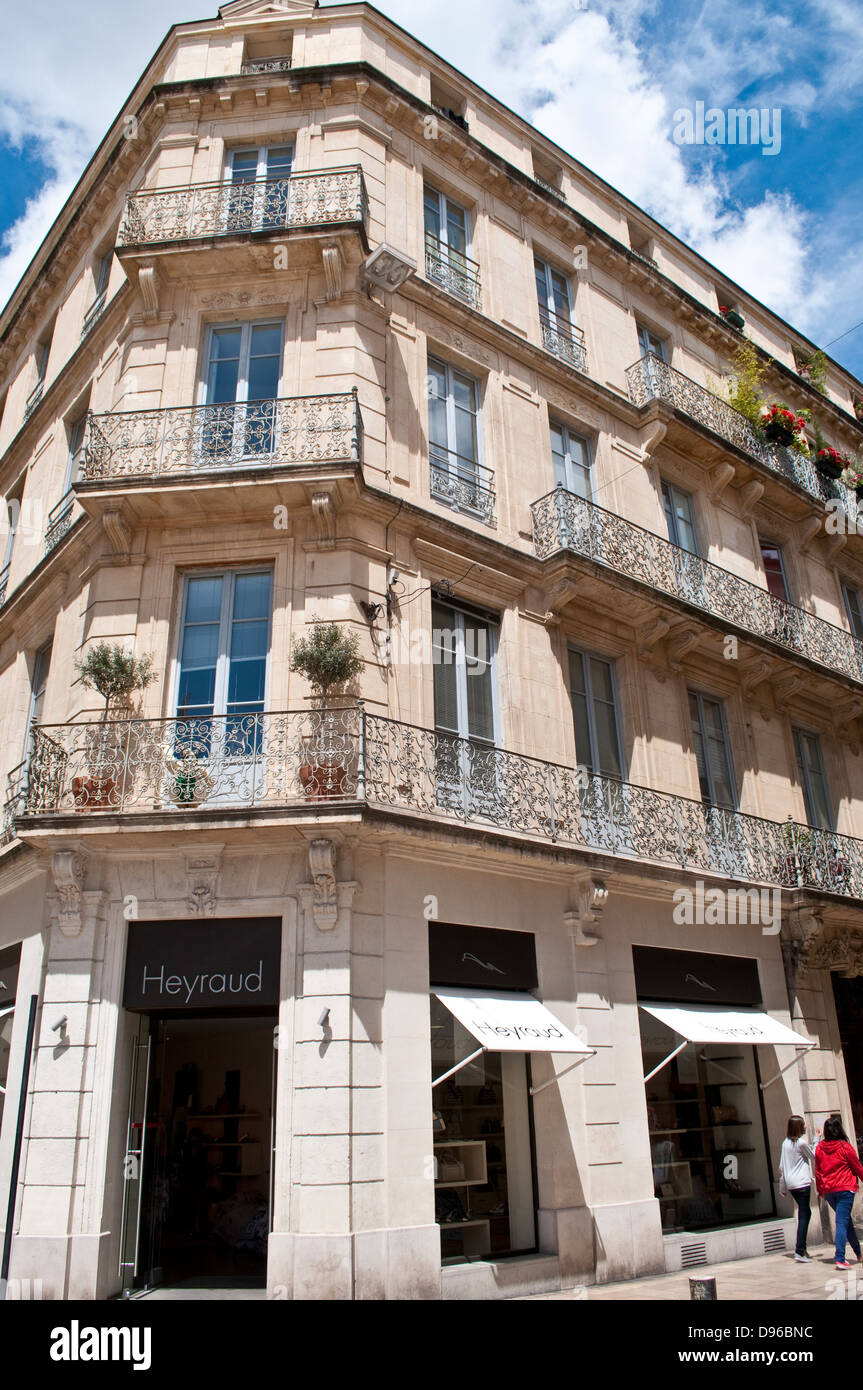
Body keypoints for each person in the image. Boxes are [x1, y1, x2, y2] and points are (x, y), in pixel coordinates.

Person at [814, 1115, 863, 1269]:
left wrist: (821, 1190)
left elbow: (818, 1171)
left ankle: (858, 1253)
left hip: (829, 1191)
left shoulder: (820, 1148)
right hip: (845, 1189)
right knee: (842, 1222)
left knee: (845, 1221)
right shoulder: (844, 1147)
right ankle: (840, 1258)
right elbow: (857, 1167)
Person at [778, 1116, 817, 1262]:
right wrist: (817, 1141)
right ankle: (799, 1250)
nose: (805, 1127)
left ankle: (802, 1249)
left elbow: (781, 1166)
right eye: (803, 1125)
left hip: (791, 1184)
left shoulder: (785, 1143)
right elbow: (814, 1156)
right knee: (804, 1216)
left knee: (805, 1213)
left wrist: (782, 1187)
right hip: (802, 1183)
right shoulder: (801, 1143)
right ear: (798, 1127)